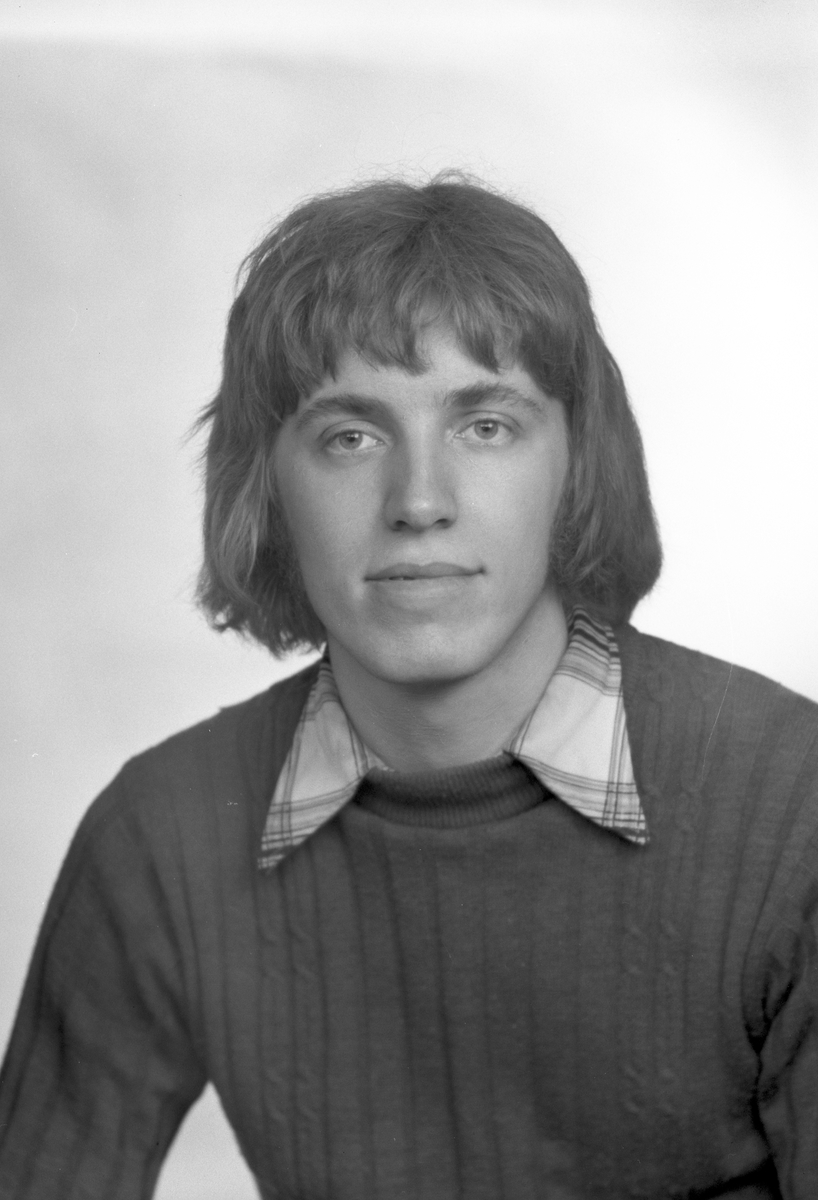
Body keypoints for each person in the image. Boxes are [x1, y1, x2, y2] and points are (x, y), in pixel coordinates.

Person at [1, 173, 817, 1200]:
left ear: (578, 462)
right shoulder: (163, 835)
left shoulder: (793, 806)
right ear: (267, 484)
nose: (419, 501)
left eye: (486, 426)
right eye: (351, 436)